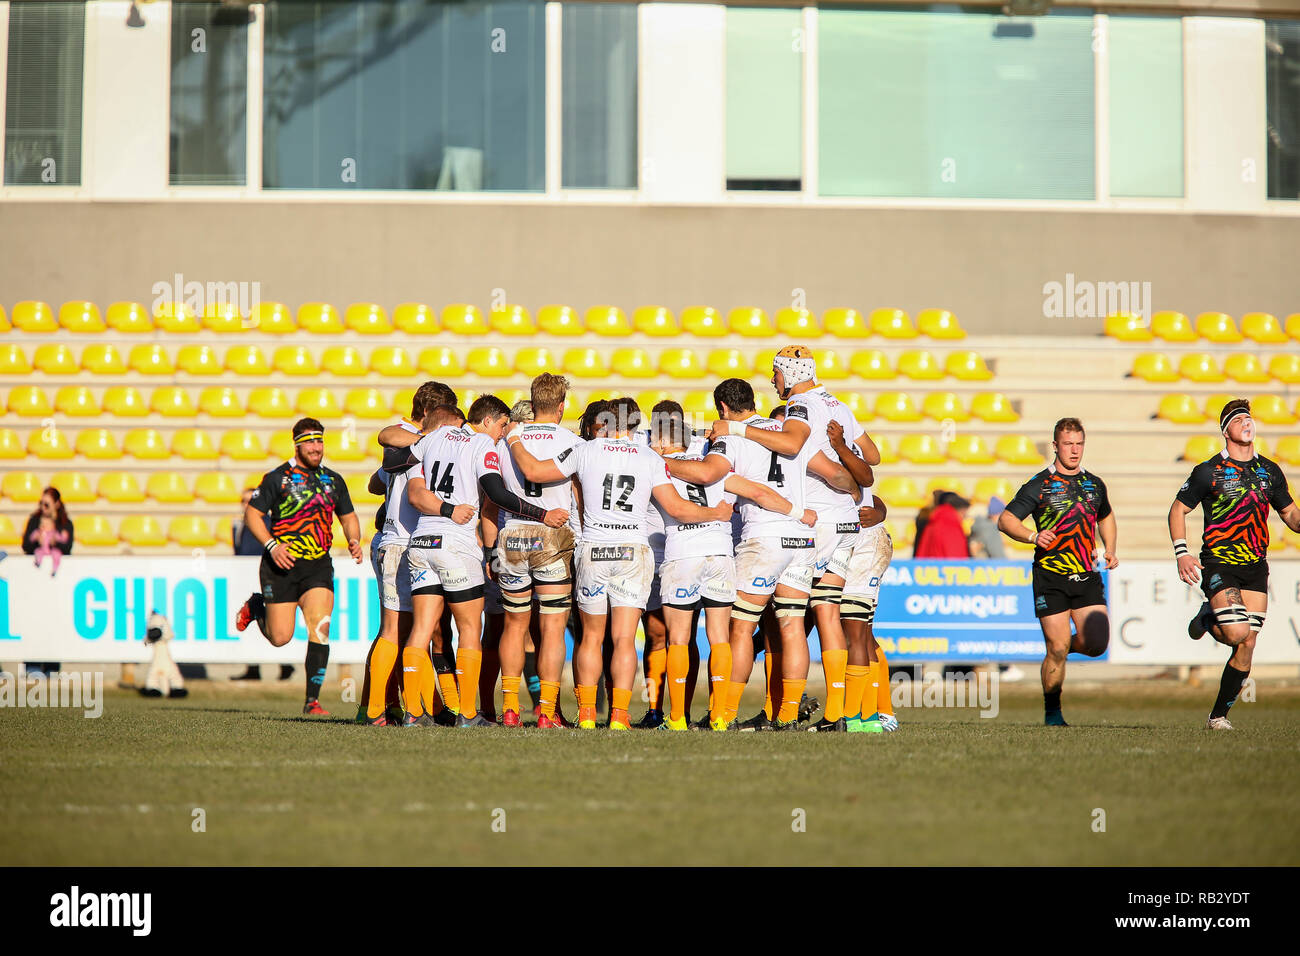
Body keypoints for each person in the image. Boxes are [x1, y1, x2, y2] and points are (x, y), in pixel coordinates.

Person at [506, 396, 732, 730]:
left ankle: (585, 716)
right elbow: (678, 507)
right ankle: (619, 716)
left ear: (606, 425)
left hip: (595, 548)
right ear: (634, 427)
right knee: (625, 639)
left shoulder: (586, 450)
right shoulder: (648, 456)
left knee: (591, 639)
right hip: (632, 550)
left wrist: (513, 438)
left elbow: (535, 471)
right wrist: (715, 513)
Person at [708, 349, 868, 731]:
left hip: (765, 536)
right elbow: (843, 477)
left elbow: (715, 480)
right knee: (794, 624)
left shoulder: (737, 435)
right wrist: (850, 502)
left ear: (722, 408)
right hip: (804, 538)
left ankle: (723, 717)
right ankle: (787, 715)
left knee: (742, 627)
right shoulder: (786, 429)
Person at [402, 395, 568, 727]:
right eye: (503, 425)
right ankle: (466, 712)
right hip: (456, 543)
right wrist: (542, 513)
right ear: (490, 421)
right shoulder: (482, 445)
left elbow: (398, 465)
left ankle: (412, 712)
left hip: (421, 540)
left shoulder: (431, 438)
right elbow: (497, 494)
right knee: (469, 628)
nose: (504, 432)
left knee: (421, 629)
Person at [653, 398, 808, 730]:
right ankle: (721, 716)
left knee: (679, 639)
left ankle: (678, 718)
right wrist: (799, 513)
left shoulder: (658, 467)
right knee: (720, 638)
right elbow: (761, 492)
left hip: (682, 554)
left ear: (663, 440)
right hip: (721, 556)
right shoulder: (718, 468)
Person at [1169, 398, 1300, 730]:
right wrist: (1182, 552)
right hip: (1219, 563)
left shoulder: (1269, 471)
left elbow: (1290, 516)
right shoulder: (1208, 471)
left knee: (1248, 643)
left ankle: (1218, 717)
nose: (1247, 422)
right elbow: (1178, 510)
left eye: (1249, 418)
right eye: (1239, 418)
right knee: (1236, 631)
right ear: (1225, 430)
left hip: (1256, 566)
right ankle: (1208, 615)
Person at [234, 417, 364, 715]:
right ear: (297, 444)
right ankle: (257, 607)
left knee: (320, 627)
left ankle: (312, 701)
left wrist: (354, 539)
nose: (316, 447)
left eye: (319, 441)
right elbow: (253, 516)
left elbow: (348, 517)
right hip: (281, 566)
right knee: (280, 638)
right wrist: (272, 546)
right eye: (309, 441)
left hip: (317, 566)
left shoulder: (333, 480)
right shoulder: (277, 478)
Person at [998, 418, 1117, 726]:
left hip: (1086, 574)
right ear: (1055, 446)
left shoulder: (1094, 484)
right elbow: (1006, 520)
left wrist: (1111, 548)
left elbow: (1106, 517)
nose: (1074, 450)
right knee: (1058, 645)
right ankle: (1053, 712)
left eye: (1079, 444)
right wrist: (1032, 536)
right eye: (1068, 444)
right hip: (1050, 576)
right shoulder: (1039, 485)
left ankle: (1062, 649)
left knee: (1097, 643)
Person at [358, 388, 466, 724]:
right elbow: (384, 433)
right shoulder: (413, 438)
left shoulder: (407, 445)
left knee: (410, 629)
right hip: (406, 542)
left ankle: (388, 706)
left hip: (394, 540)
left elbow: (375, 485)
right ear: (435, 410)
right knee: (404, 629)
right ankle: (387, 708)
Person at [491, 375, 582, 728]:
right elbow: (577, 495)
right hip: (551, 534)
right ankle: (547, 711)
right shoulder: (572, 442)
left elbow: (490, 499)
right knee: (553, 627)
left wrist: (489, 551)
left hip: (512, 534)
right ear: (561, 406)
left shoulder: (506, 443)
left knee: (514, 625)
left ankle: (511, 708)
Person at [828, 419, 896, 733]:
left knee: (855, 633)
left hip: (864, 543)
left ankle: (859, 717)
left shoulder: (836, 447)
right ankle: (869, 717)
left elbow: (866, 478)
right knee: (861, 633)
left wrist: (840, 445)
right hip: (861, 540)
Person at [24, 487, 73, 576]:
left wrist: (54, 542)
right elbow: (25, 546)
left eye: (46, 505)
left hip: (60, 573)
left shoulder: (65, 523)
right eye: (41, 503)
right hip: (36, 573)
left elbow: (67, 548)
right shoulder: (34, 521)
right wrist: (38, 541)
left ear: (57, 504)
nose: (43, 507)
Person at [915, 492, 971, 558]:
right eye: (964, 514)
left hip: (929, 567)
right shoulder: (951, 526)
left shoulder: (932, 522)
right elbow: (956, 557)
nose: (964, 518)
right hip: (947, 567)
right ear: (961, 511)